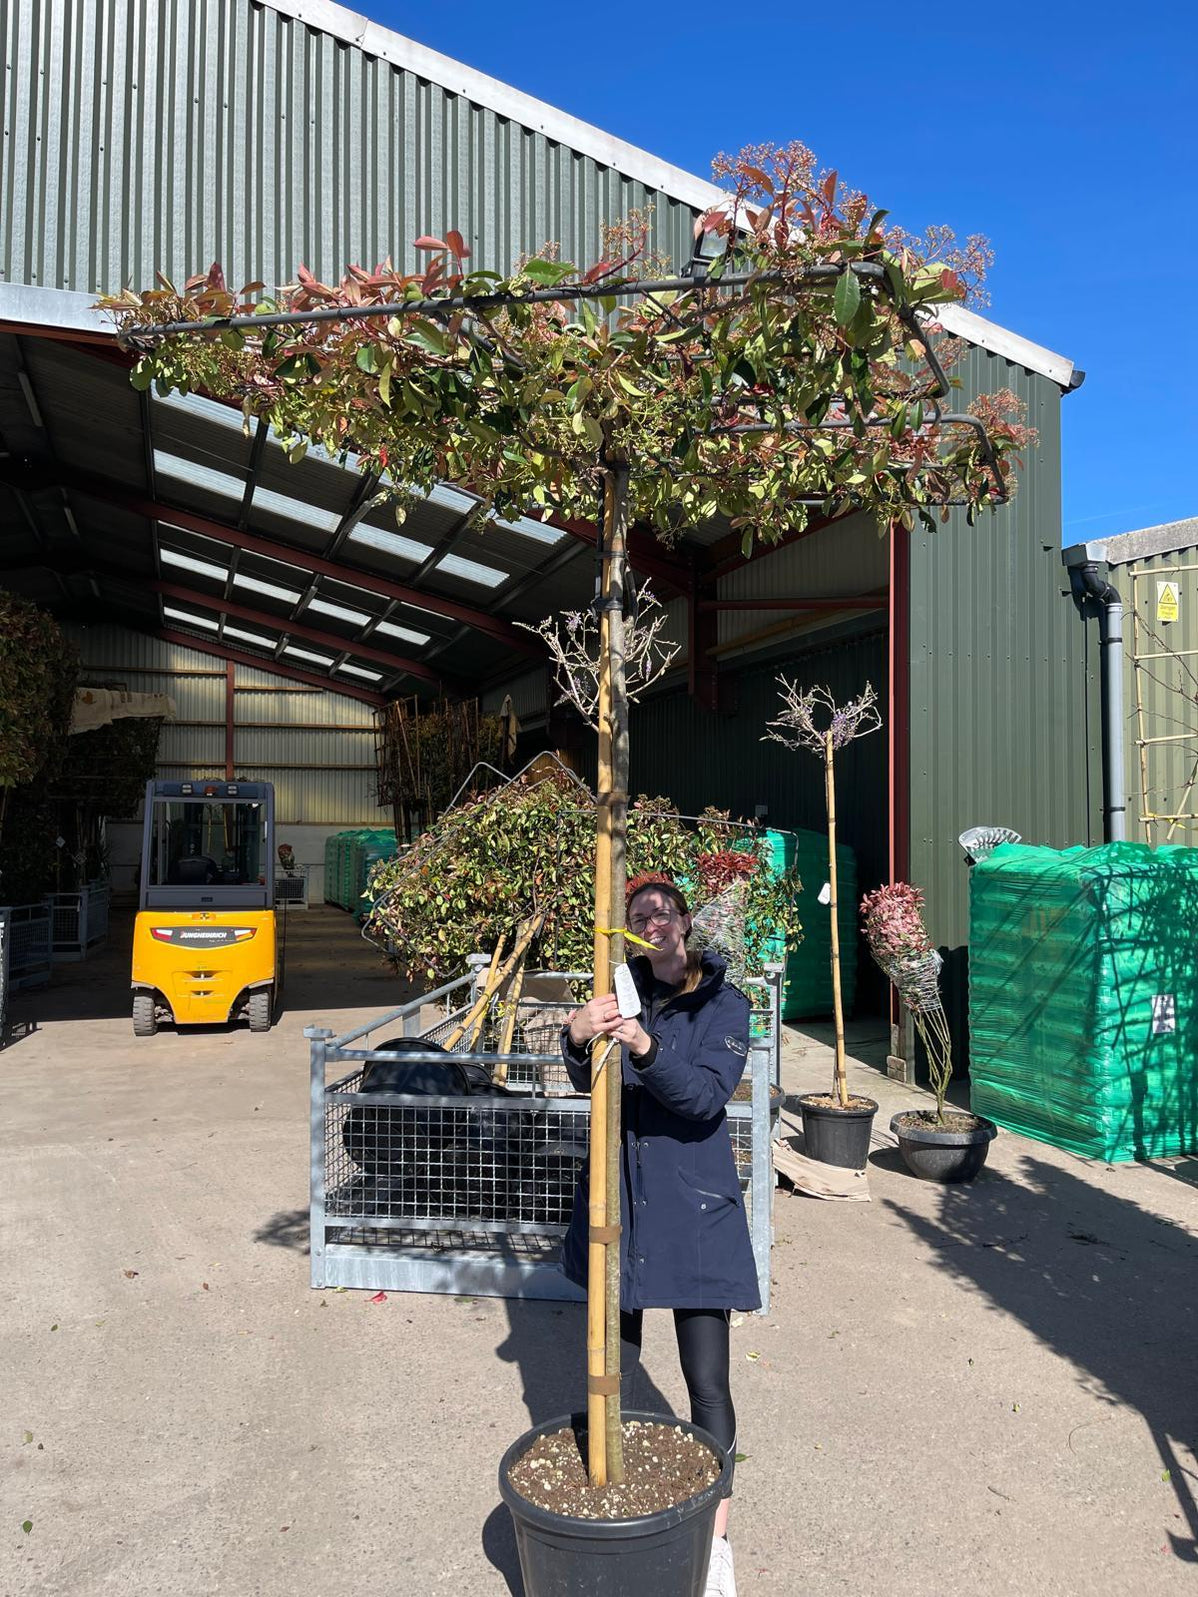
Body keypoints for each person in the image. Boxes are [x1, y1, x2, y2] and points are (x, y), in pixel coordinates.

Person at [560, 875, 758, 1597]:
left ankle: (719, 1540)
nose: (652, 922)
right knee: (615, 1363)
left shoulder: (726, 1005)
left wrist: (642, 1042)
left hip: (693, 1211)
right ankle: (623, 1495)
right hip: (622, 1207)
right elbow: (589, 1079)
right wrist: (576, 1036)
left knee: (707, 1381)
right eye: (639, 914)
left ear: (683, 924)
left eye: (662, 912)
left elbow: (704, 1098)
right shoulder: (621, 985)